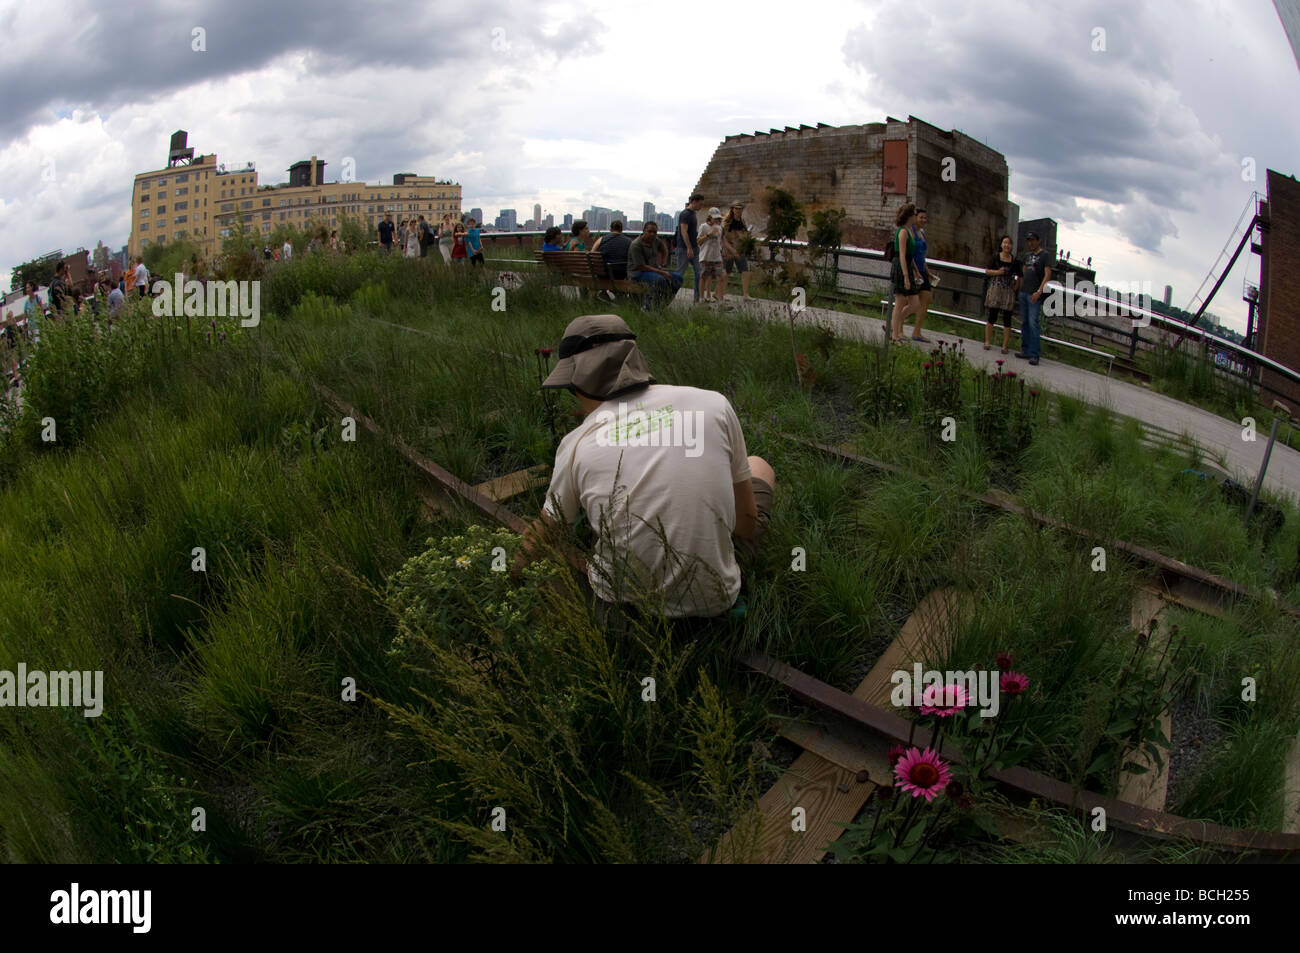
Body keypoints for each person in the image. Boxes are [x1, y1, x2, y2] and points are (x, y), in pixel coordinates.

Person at [522, 313, 776, 620]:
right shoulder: (714, 403)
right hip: (715, 601)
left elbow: (546, 531)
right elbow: (745, 526)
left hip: (622, 603)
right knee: (758, 466)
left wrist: (511, 572)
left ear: (578, 383)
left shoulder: (576, 443)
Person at [628, 221, 682, 308]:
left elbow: (664, 250)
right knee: (660, 280)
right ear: (644, 231)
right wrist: (662, 272)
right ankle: (650, 306)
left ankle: (662, 305)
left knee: (678, 278)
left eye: (655, 232)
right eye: (649, 231)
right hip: (638, 272)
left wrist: (663, 264)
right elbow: (641, 266)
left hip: (654, 270)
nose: (652, 234)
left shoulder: (656, 241)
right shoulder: (636, 245)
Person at [1016, 232, 1051, 366]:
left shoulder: (1044, 256)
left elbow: (1047, 275)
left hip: (1034, 294)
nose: (1030, 243)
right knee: (1024, 322)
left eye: (1033, 240)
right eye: (1029, 241)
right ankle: (1025, 350)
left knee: (1033, 323)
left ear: (1038, 241)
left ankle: (1034, 353)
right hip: (1024, 292)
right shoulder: (1027, 256)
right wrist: (1019, 287)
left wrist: (1039, 291)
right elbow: (1024, 272)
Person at [983, 235, 1021, 353]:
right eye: (1005, 243)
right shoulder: (995, 257)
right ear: (1001, 245)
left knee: (1007, 317)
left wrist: (1016, 287)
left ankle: (1005, 346)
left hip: (1008, 290)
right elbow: (987, 271)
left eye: (1009, 243)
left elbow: (1020, 275)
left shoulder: (1014, 261)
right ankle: (987, 341)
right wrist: (998, 272)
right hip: (996, 288)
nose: (1007, 245)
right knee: (992, 315)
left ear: (1012, 246)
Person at [888, 204, 920, 343]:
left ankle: (891, 324)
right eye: (914, 215)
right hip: (901, 267)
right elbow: (901, 255)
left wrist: (916, 270)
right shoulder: (902, 232)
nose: (915, 217)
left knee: (915, 303)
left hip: (908, 265)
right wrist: (906, 276)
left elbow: (910, 254)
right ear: (909, 216)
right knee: (900, 301)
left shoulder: (910, 230)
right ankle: (894, 335)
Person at [906, 209, 933, 341]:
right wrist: (913, 271)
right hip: (913, 269)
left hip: (922, 270)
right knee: (908, 301)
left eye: (925, 218)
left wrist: (928, 272)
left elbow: (923, 255)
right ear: (915, 217)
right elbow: (909, 254)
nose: (924, 220)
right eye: (921, 217)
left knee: (926, 298)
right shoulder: (909, 231)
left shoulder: (922, 233)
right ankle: (895, 326)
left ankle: (917, 332)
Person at [675, 194, 706, 303]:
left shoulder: (693, 214)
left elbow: (692, 231)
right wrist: (688, 248)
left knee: (699, 272)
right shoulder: (685, 214)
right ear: (694, 201)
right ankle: (669, 294)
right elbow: (683, 231)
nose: (701, 206)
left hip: (694, 248)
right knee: (679, 274)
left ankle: (697, 298)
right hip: (684, 249)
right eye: (700, 204)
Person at [721, 203, 752, 300]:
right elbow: (723, 238)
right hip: (729, 249)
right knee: (726, 272)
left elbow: (744, 234)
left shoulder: (742, 221)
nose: (738, 211)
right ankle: (721, 294)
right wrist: (729, 249)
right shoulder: (727, 222)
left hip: (739, 249)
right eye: (736, 209)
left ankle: (746, 294)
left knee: (745, 270)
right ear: (733, 209)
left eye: (740, 209)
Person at [697, 207, 726, 303]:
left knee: (721, 277)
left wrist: (723, 250)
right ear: (710, 217)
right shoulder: (703, 227)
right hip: (706, 256)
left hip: (717, 256)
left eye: (719, 219)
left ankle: (721, 299)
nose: (717, 220)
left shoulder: (720, 228)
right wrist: (708, 235)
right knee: (704, 277)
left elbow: (720, 241)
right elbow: (699, 241)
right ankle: (701, 298)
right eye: (715, 218)